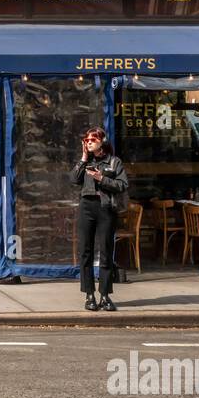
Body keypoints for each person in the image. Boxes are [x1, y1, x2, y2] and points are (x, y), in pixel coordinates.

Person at [71, 127, 129, 312]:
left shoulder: (113, 162)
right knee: (85, 252)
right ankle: (89, 294)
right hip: (86, 207)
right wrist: (83, 158)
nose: (89, 142)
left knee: (105, 251)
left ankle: (105, 295)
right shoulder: (85, 161)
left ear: (102, 141)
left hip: (106, 209)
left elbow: (122, 185)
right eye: (86, 140)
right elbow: (73, 179)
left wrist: (101, 178)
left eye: (92, 140)